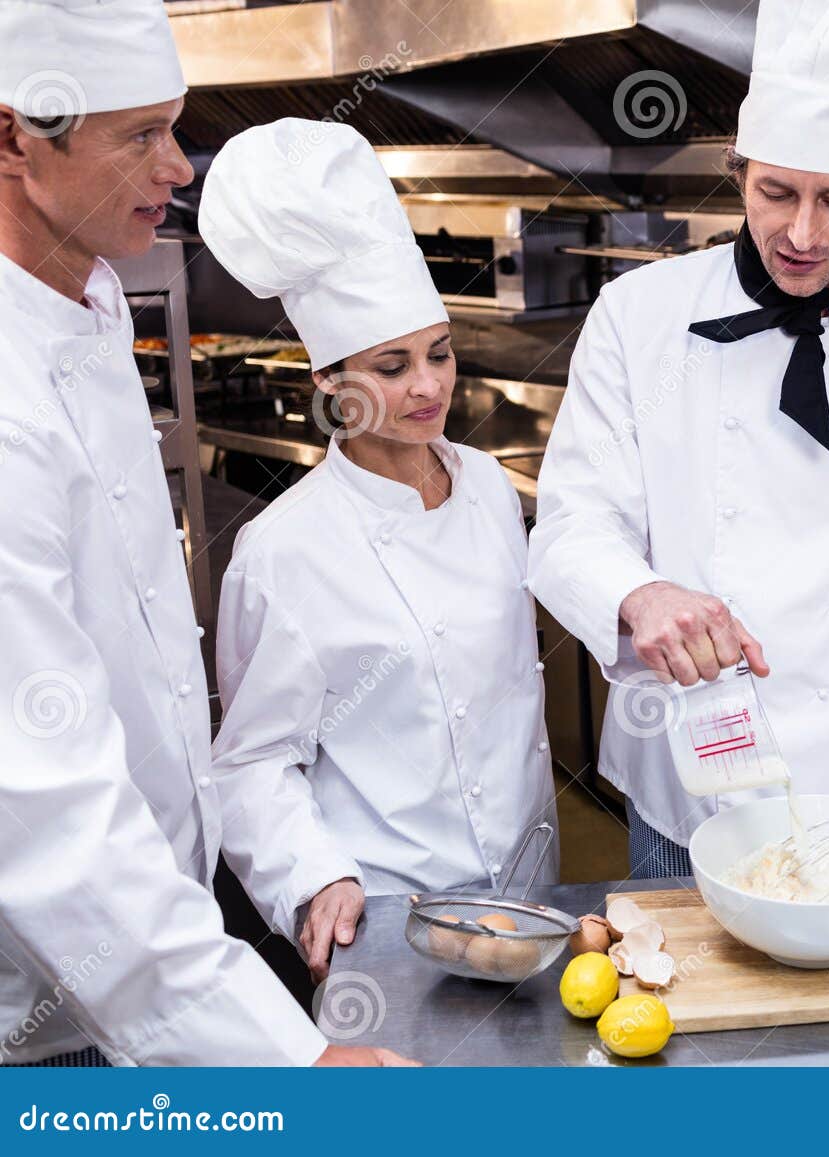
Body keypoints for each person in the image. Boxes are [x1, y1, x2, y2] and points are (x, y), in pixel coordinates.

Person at [0, 0, 407, 1065]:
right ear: (12, 139)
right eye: (140, 135)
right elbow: (41, 800)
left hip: (158, 940)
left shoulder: (85, 303)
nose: (179, 168)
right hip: (51, 1012)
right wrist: (296, 1064)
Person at [528, 0, 829, 876]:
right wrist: (641, 595)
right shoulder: (640, 315)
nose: (802, 233)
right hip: (687, 785)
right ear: (737, 168)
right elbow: (570, 526)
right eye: (776, 192)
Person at [201, 119, 560, 974]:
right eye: (391, 367)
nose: (430, 385)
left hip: (536, 899)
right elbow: (251, 764)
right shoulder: (282, 550)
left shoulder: (488, 489)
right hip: (394, 917)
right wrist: (315, 879)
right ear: (329, 381)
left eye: (438, 353)